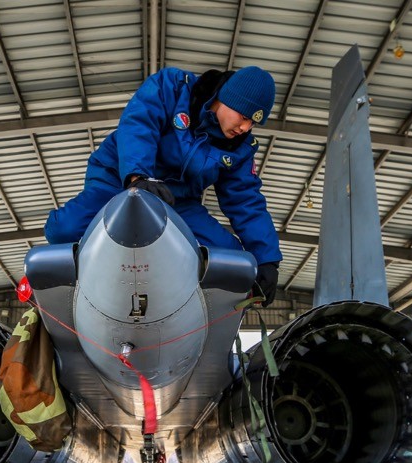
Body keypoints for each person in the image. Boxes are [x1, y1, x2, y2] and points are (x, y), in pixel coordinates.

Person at [43, 65, 283, 306]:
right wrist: (138, 177)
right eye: (244, 117)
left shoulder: (239, 148)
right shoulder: (174, 88)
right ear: (227, 98)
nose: (245, 128)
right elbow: (139, 125)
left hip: (177, 202)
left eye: (252, 123)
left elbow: (245, 200)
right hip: (118, 182)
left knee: (235, 262)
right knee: (63, 229)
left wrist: (266, 260)